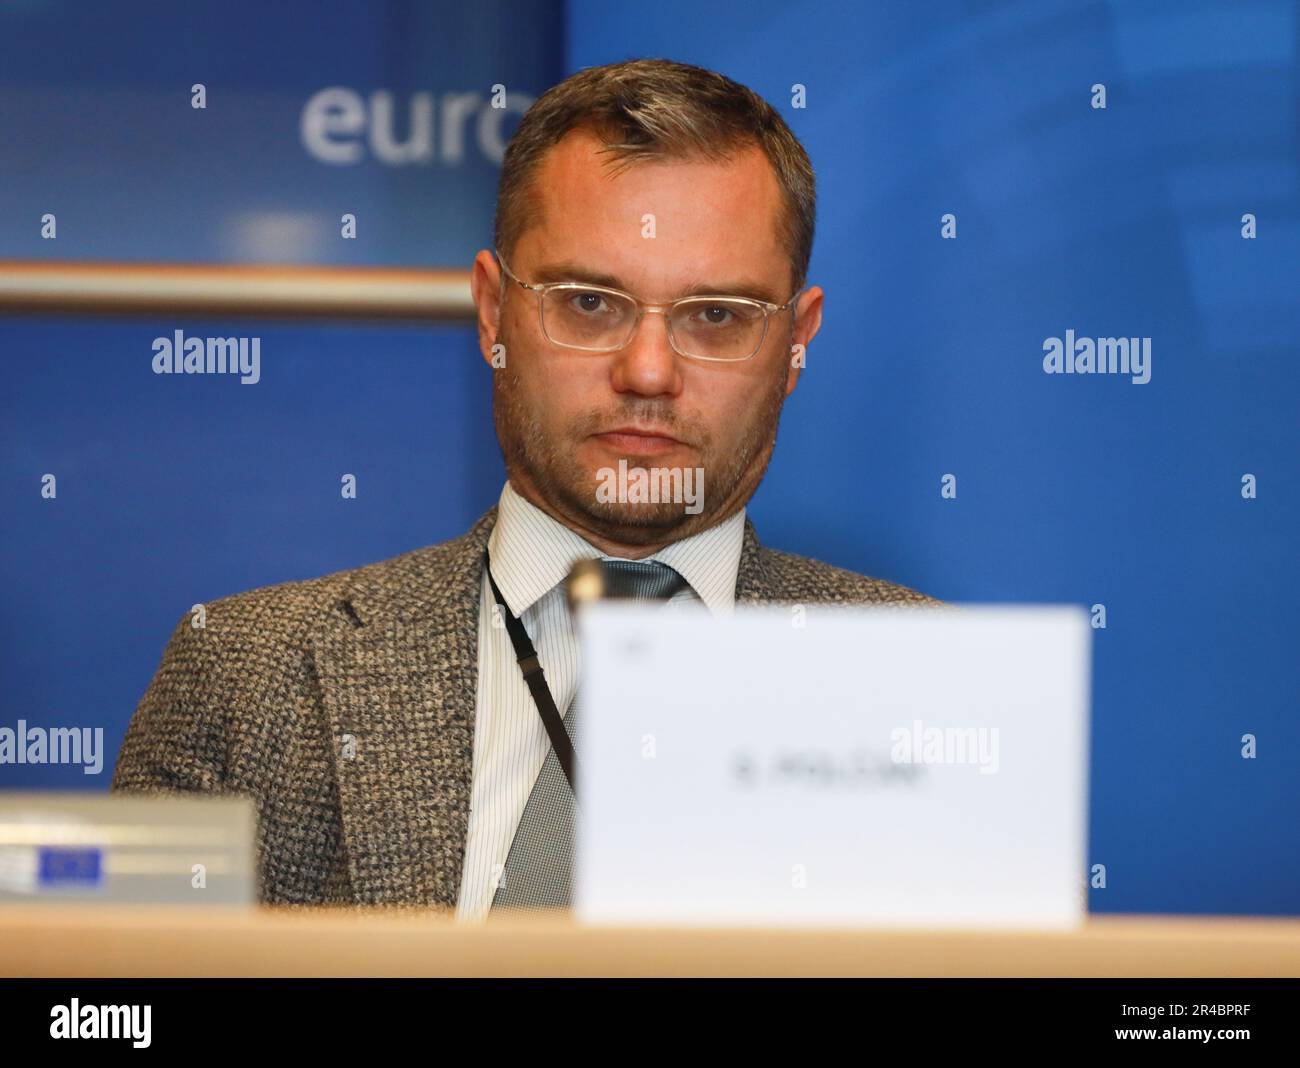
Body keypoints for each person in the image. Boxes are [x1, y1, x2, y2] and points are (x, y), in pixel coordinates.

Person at [112, 58, 937, 918]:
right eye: (589, 304)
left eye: (716, 316)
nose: (648, 371)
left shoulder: (924, 694)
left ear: (795, 341)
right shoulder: (250, 676)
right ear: (493, 311)